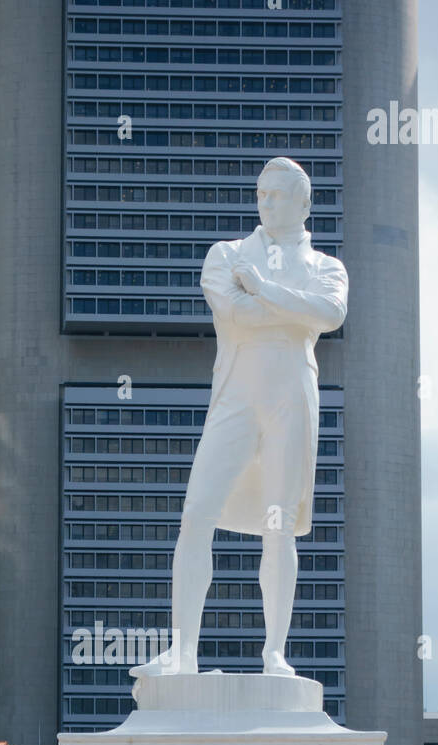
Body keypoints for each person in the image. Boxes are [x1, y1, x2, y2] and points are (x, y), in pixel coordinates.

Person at [131, 157, 347, 679]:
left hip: (290, 401)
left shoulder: (326, 267)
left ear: (304, 202)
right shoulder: (226, 255)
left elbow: (331, 315)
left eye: (277, 194)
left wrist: (266, 291)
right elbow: (238, 314)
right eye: (261, 193)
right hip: (236, 398)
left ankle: (275, 651)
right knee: (196, 512)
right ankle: (183, 652)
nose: (266, 202)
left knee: (280, 529)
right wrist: (286, 309)